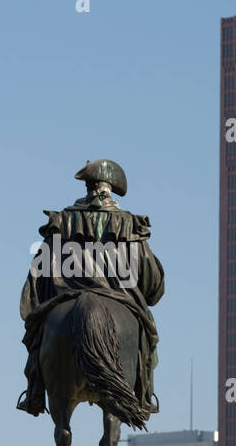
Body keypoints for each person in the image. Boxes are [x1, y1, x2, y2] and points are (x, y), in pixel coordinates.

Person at [17, 160, 164, 419]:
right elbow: (152, 282)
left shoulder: (61, 221)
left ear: (88, 187)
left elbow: (38, 276)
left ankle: (34, 392)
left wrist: (39, 309)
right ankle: (143, 395)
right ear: (110, 189)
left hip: (66, 298)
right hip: (121, 298)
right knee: (148, 338)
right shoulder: (130, 225)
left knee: (39, 336)